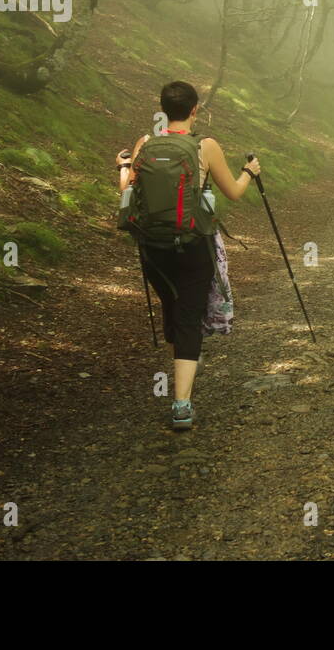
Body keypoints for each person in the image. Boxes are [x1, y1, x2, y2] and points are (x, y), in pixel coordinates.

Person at [115, 81, 260, 430]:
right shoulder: (205, 146)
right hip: (193, 245)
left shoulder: (145, 144)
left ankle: (182, 372)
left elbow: (127, 192)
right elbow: (234, 193)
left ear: (163, 108)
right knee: (189, 316)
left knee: (175, 308)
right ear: (195, 110)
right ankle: (181, 404)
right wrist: (250, 173)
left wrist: (122, 166)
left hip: (153, 249)